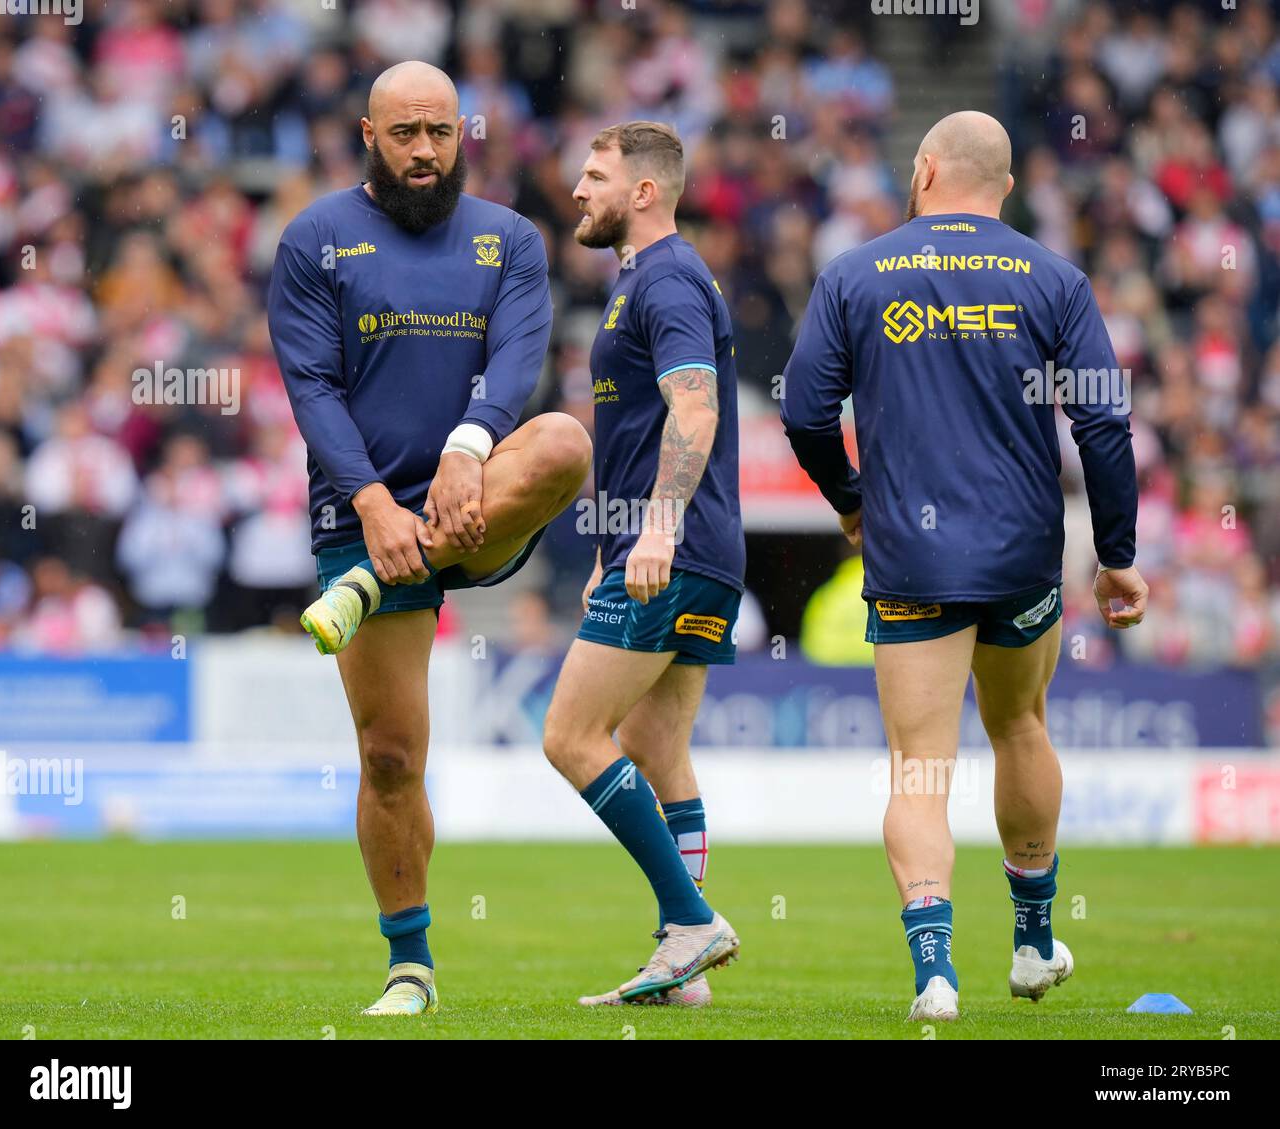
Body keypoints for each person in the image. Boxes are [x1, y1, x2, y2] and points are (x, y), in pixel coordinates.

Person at [781, 110, 1148, 1022]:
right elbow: (1103, 422)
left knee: (917, 767)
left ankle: (935, 974)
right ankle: (1031, 943)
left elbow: (803, 412)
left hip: (909, 553)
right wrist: (1117, 557)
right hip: (1023, 551)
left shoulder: (855, 271)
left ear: (925, 168)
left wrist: (851, 498)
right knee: (1021, 725)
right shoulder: (1054, 276)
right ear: (1009, 185)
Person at [266, 61, 591, 1017]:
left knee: (569, 440)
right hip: (365, 514)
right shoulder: (314, 238)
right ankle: (412, 966)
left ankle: (369, 580)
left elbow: (519, 356)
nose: (424, 151)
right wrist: (370, 503)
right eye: (405, 133)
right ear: (369, 135)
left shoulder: (510, 239)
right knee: (393, 755)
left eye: (440, 133)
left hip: (469, 499)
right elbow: (311, 387)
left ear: (464, 134)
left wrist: (465, 447)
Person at [542, 122, 745, 1006]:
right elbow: (633, 433)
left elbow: (691, 412)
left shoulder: (665, 279)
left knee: (569, 737)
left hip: (674, 547)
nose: (578, 190)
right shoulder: (653, 280)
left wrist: (654, 530)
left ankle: (690, 918)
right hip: (688, 549)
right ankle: (681, 966)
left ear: (646, 191)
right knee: (656, 746)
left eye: (595, 176)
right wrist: (607, 546)